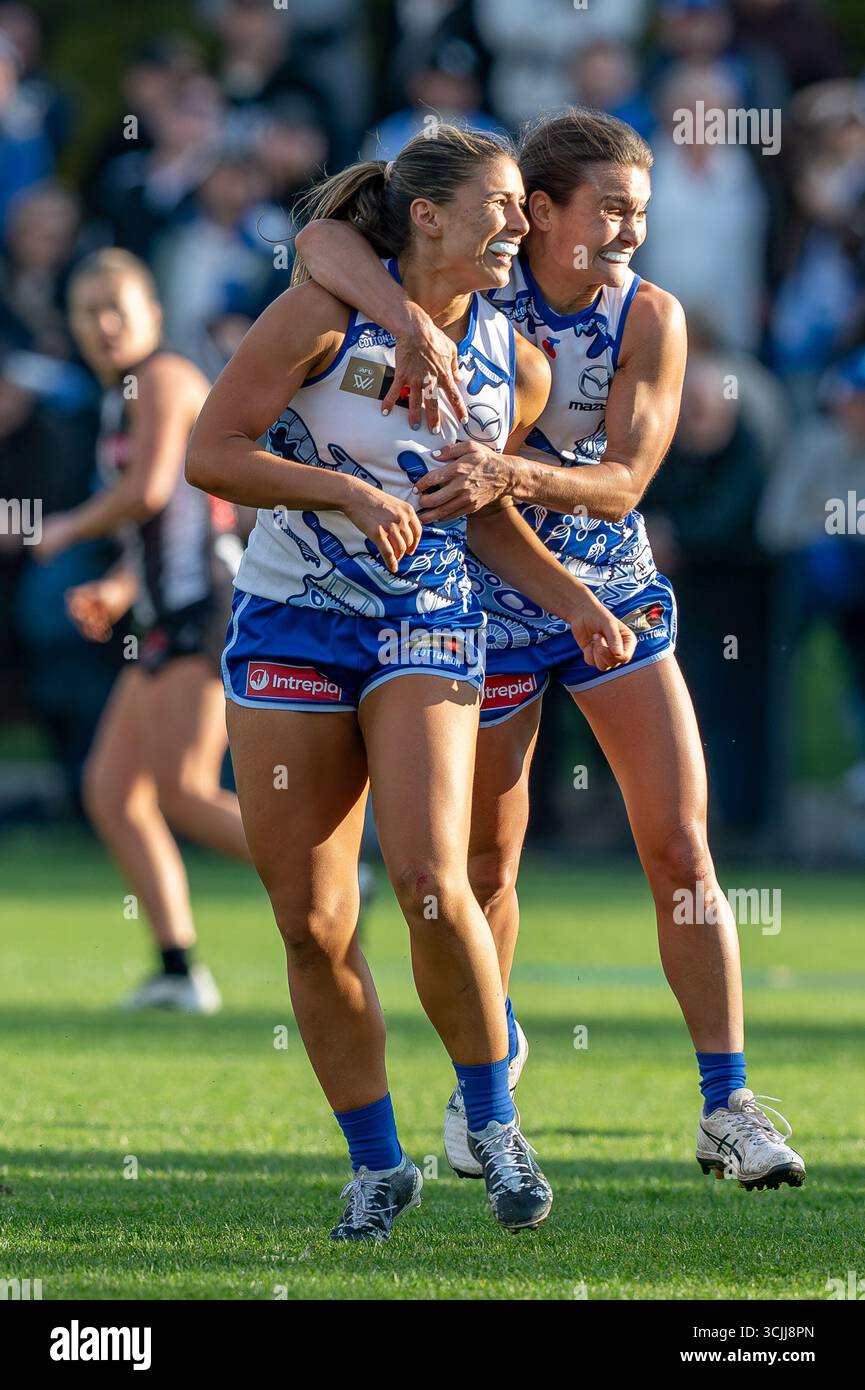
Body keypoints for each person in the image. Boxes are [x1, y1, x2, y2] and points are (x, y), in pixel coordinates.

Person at [295, 106, 807, 1192]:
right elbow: (319, 242)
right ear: (539, 212)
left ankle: (728, 1105)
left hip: (606, 592)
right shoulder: (478, 275)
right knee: (482, 866)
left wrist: (506, 473)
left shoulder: (649, 319)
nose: (630, 231)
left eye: (642, 212)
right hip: (481, 601)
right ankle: (489, 1081)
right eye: (611, 209)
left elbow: (624, 482)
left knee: (680, 845)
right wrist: (410, 321)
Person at [187, 126, 636, 1239]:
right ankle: (377, 1163)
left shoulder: (516, 362)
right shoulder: (320, 313)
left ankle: (492, 1119)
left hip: (428, 620)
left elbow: (477, 511)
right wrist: (336, 493)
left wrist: (576, 602)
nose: (522, 226)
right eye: (499, 205)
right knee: (311, 922)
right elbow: (212, 451)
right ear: (425, 215)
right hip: (290, 618)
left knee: (432, 875)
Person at [36, 248, 246, 1013]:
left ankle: (327, 873)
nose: (102, 324)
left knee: (184, 792)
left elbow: (150, 487)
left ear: (153, 315)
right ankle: (178, 968)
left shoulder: (161, 377)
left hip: (204, 609)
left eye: (116, 307)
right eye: (87, 310)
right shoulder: (118, 396)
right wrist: (118, 588)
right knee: (115, 791)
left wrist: (59, 531)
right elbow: (157, 518)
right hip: (162, 612)